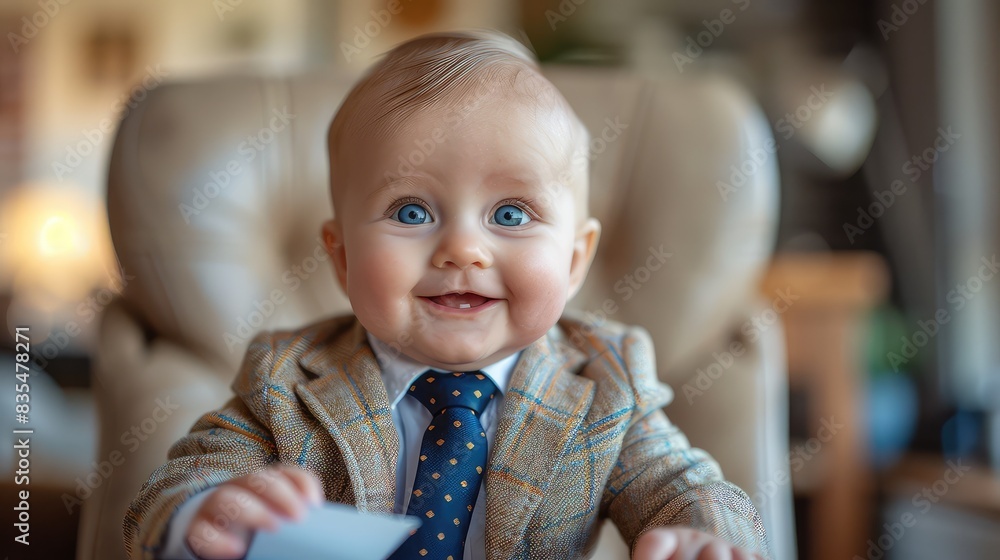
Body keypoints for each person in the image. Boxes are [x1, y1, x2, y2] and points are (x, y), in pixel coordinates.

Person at [124, 30, 771, 560]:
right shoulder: (286, 376)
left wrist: (705, 535)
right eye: (409, 212)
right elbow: (179, 482)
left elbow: (680, 484)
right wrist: (200, 514)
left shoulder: (606, 379)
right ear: (342, 257)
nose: (463, 249)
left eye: (511, 215)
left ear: (575, 261)